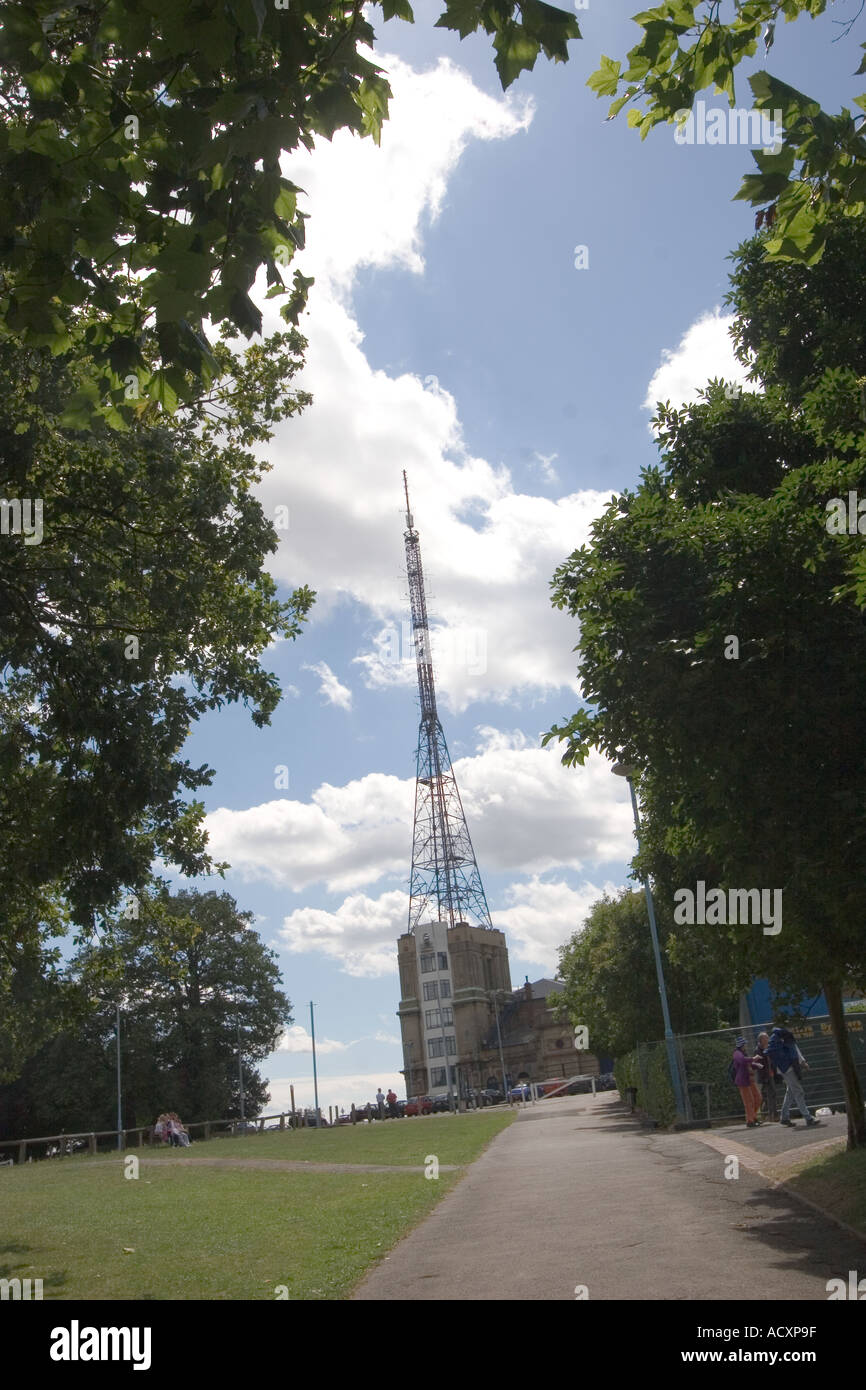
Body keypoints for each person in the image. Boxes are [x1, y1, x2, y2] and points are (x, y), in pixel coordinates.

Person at [766, 1026, 822, 1128]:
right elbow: (794, 1051)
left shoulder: (777, 1038)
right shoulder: (787, 1037)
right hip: (789, 1069)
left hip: (782, 1069)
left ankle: (784, 1117)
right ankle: (808, 1117)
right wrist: (803, 1063)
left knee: (790, 1092)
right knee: (798, 1091)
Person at [732, 1038, 763, 1127]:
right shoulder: (737, 1053)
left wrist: (756, 1065)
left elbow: (747, 1064)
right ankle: (750, 1120)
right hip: (743, 1081)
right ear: (741, 1045)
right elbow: (742, 1060)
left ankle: (753, 1117)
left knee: (758, 1098)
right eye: (745, 1044)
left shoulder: (743, 1053)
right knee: (749, 1101)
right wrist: (753, 1058)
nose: (746, 1045)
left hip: (750, 1079)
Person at [753, 1032, 778, 1120]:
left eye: (768, 1037)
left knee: (771, 1094)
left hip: (771, 1074)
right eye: (766, 1038)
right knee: (770, 1094)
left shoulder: (768, 1048)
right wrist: (765, 1077)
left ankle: (770, 1114)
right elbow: (759, 1066)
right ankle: (771, 1115)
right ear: (761, 1040)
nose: (768, 1039)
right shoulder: (758, 1050)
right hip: (766, 1076)